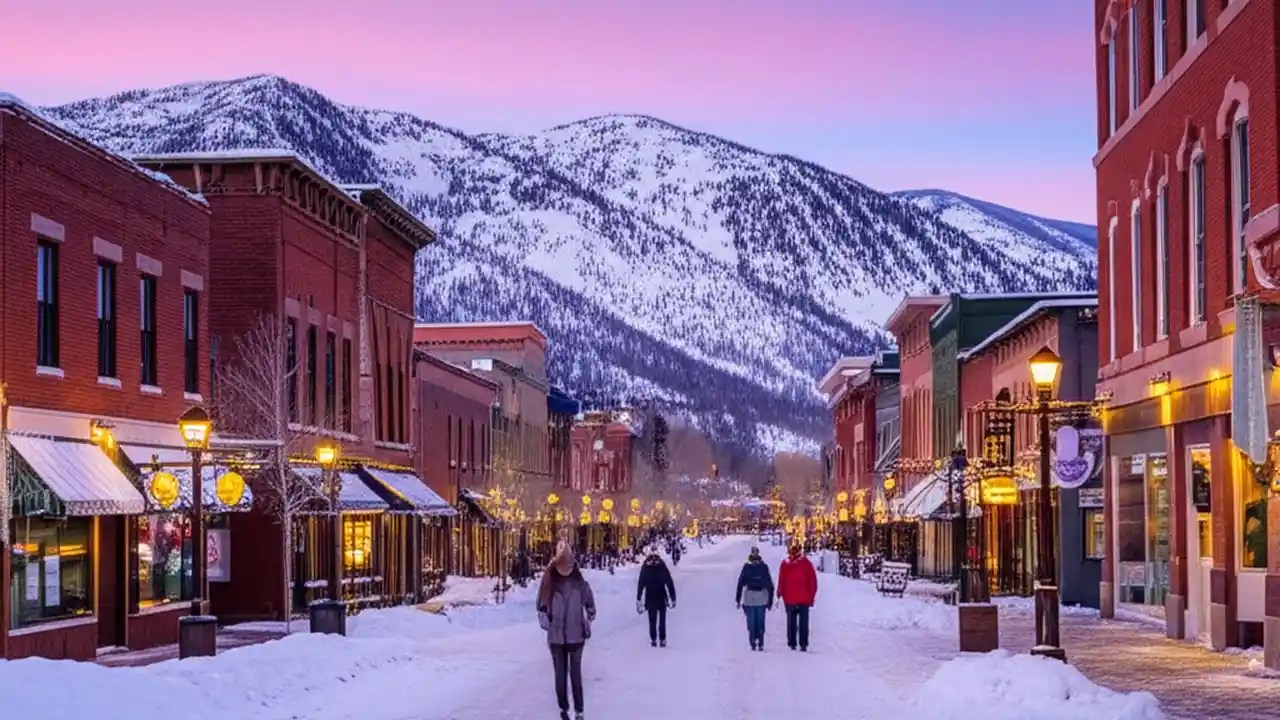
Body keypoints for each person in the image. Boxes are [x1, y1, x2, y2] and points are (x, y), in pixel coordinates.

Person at [537, 542, 596, 720]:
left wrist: (590, 615)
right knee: (561, 677)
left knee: (574, 674)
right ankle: (564, 708)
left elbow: (590, 603)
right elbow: (540, 606)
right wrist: (545, 619)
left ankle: (578, 710)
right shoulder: (549, 583)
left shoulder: (579, 583)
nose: (566, 570)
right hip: (557, 638)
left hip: (575, 636)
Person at [777, 543, 818, 651]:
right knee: (803, 623)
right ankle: (803, 644)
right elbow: (812, 581)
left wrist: (780, 592)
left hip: (790, 598)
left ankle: (792, 643)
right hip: (804, 598)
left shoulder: (786, 564)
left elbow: (782, 580)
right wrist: (811, 596)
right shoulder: (806, 563)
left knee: (791, 622)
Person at [735, 546, 774, 651]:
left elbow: (769, 584)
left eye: (756, 553)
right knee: (752, 622)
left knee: (760, 622)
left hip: (761, 597)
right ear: (751, 555)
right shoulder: (747, 567)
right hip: (750, 598)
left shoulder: (763, 567)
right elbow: (740, 583)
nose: (755, 556)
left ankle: (760, 641)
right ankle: (753, 640)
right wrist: (738, 599)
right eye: (754, 554)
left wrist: (770, 600)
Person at [636, 549, 676, 647]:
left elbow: (641, 583)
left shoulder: (646, 567)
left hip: (650, 598)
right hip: (661, 596)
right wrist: (673, 597)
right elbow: (669, 581)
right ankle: (662, 639)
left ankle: (653, 638)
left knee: (652, 619)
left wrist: (639, 598)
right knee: (662, 619)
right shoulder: (661, 566)